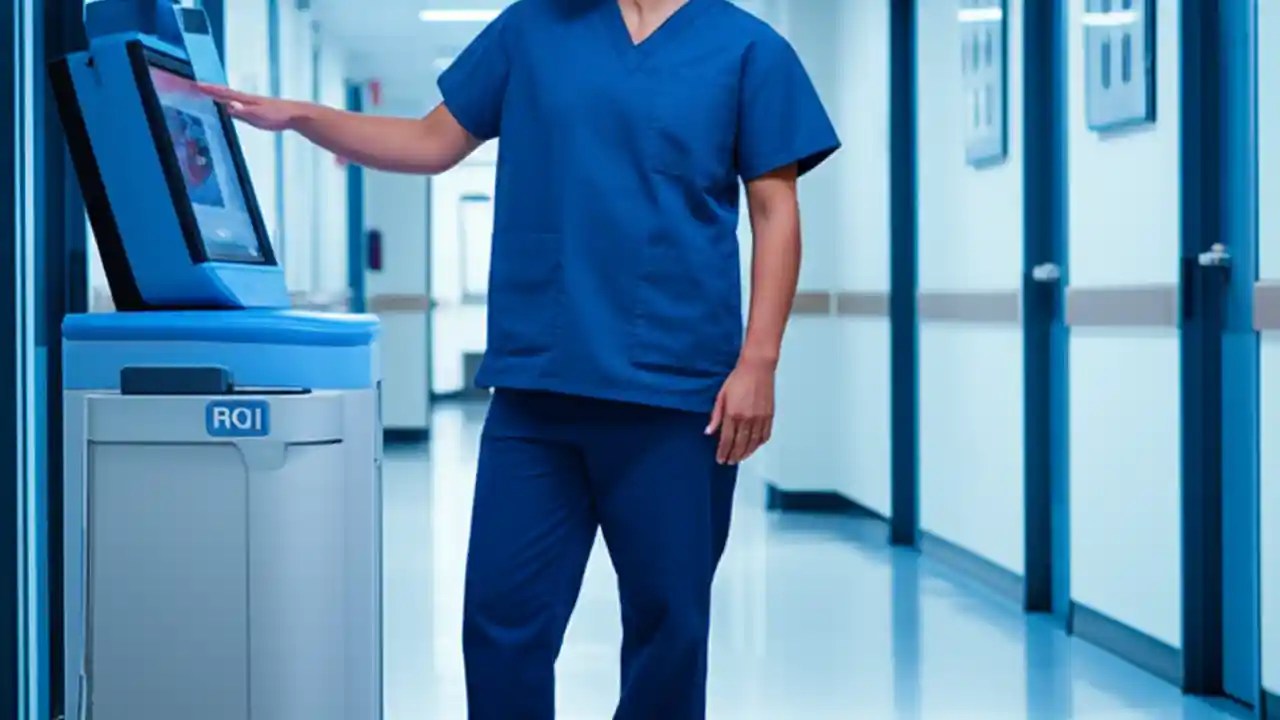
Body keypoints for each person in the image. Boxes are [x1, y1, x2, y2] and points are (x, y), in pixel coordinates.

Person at [202, 0, 838, 716]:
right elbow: (430, 142)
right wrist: (302, 118)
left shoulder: (746, 49)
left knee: (670, 632)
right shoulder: (533, 28)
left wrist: (759, 362)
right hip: (538, 392)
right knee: (502, 627)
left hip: (677, 396)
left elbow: (774, 211)